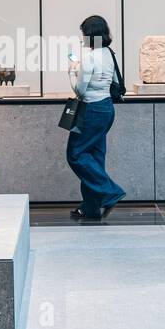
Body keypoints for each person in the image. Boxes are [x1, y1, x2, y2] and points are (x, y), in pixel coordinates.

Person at [67, 15, 126, 220]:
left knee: (75, 154)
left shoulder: (90, 58)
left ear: (90, 34)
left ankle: (110, 192)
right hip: (106, 108)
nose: (82, 37)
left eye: (83, 33)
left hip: (90, 110)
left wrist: (72, 71)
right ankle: (91, 208)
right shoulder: (109, 53)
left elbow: (80, 91)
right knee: (94, 156)